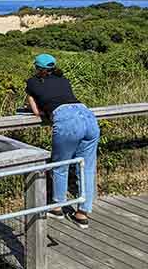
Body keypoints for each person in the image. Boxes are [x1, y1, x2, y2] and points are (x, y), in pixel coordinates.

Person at [25, 54, 100, 229]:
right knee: (87, 167)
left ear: (37, 68)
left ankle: (57, 206)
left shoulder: (32, 83)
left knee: (61, 165)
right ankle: (83, 213)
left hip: (66, 120)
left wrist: (40, 108)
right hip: (87, 115)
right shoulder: (64, 80)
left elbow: (37, 111)